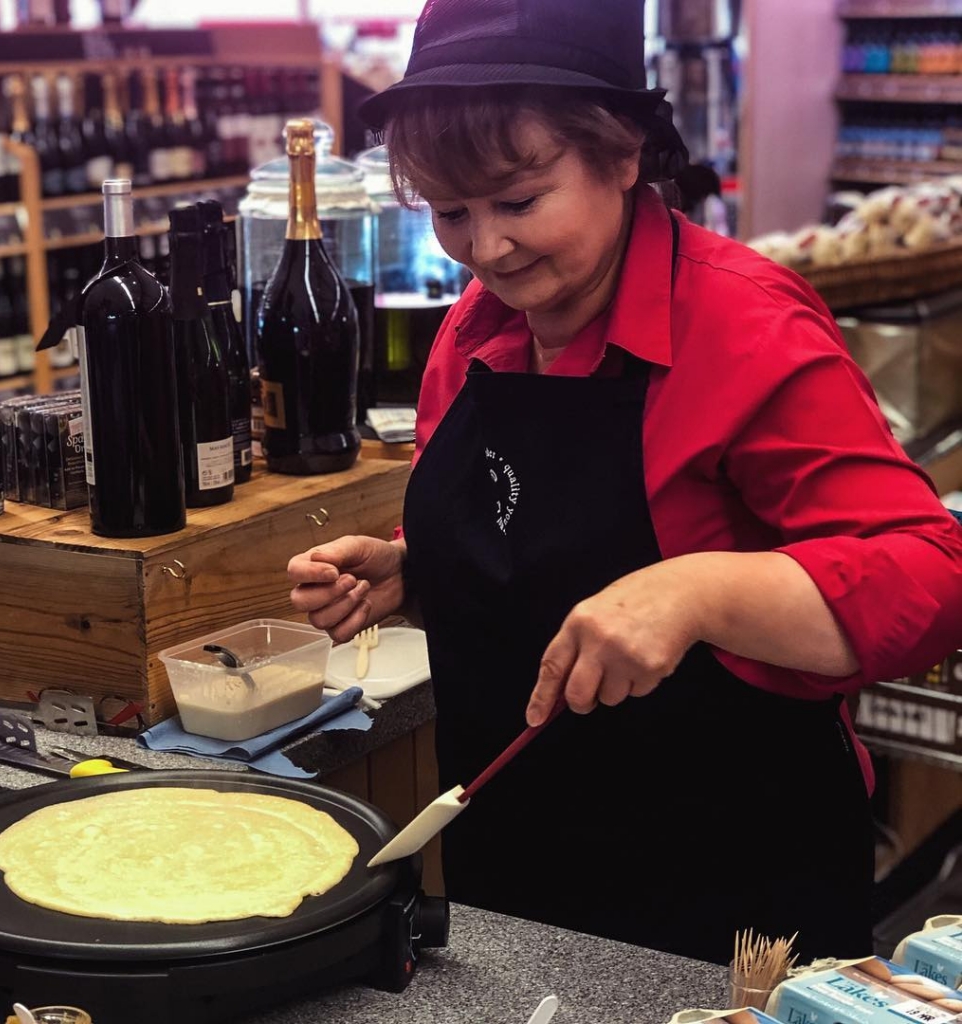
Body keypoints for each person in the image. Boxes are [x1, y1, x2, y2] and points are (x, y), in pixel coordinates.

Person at [287, 0, 962, 965]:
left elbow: (931, 575)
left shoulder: (745, 327)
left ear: (624, 153)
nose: (484, 248)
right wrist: (421, 573)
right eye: (450, 212)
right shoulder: (479, 331)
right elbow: (540, 550)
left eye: (519, 202)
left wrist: (698, 590)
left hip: (726, 884)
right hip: (514, 854)